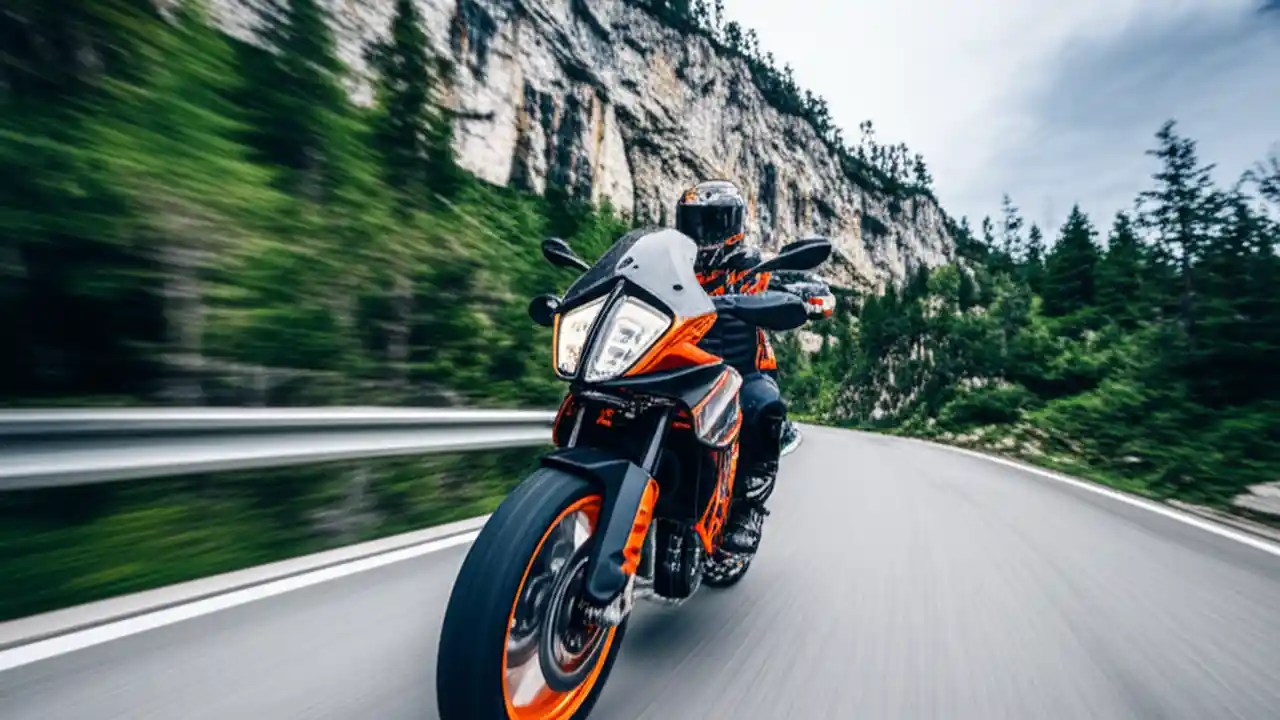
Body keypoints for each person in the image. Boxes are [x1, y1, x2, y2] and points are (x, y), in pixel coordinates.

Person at [675, 179, 789, 554]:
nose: (702, 233)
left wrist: (800, 294)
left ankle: (746, 507)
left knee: (763, 405)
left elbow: (777, 287)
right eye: (695, 223)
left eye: (713, 223)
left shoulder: (752, 267)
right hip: (682, 363)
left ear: (733, 226)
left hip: (743, 368)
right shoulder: (675, 265)